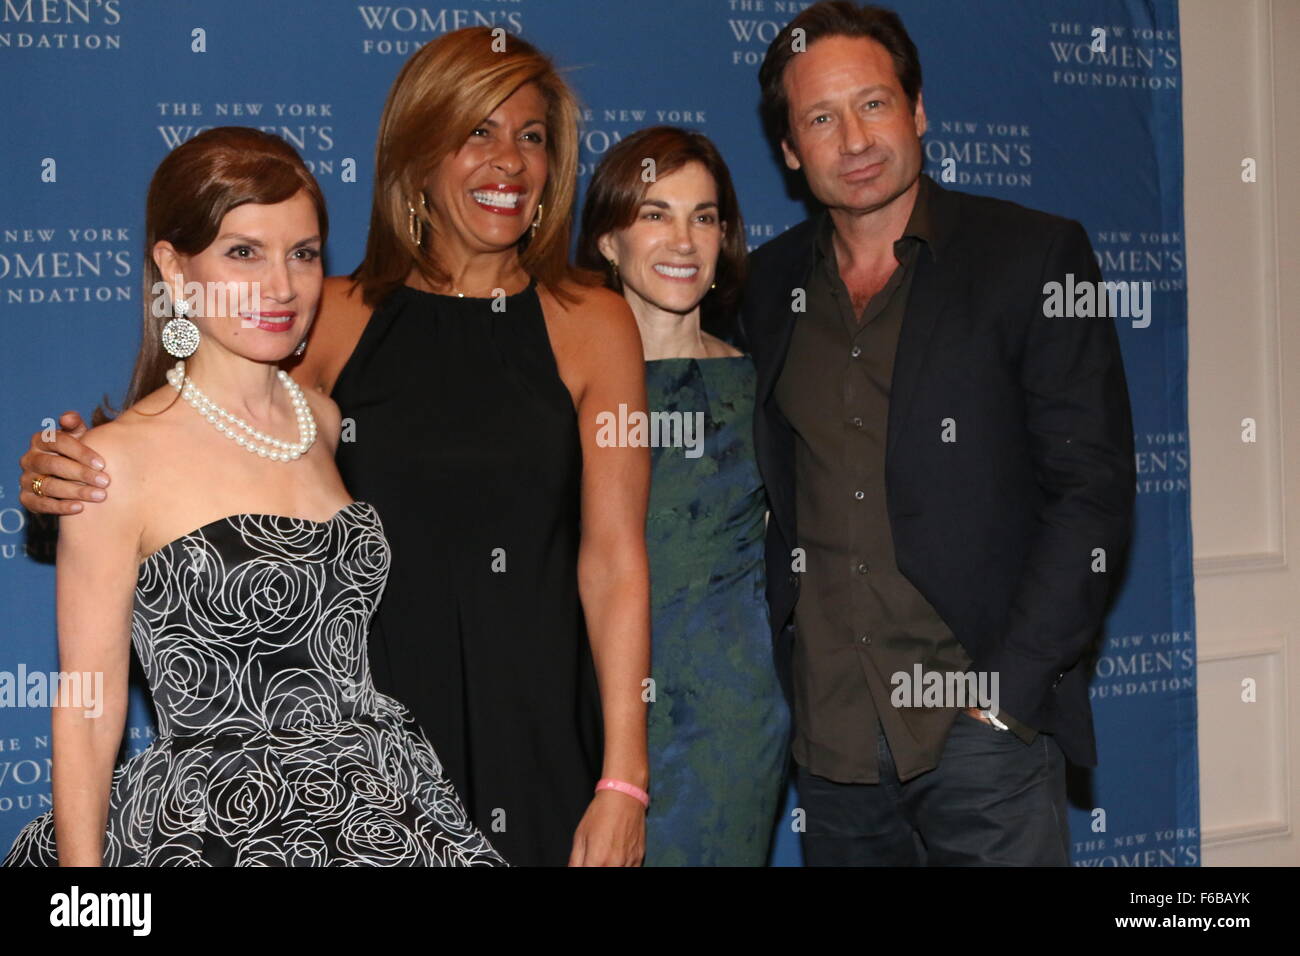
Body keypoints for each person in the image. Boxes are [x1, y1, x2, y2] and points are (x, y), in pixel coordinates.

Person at [16, 27, 651, 867]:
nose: (508, 160)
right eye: (476, 131)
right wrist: (58, 475)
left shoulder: (582, 324)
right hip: (278, 795)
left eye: (530, 135)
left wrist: (624, 779)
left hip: (465, 756)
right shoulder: (333, 319)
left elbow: (614, 558)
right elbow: (188, 442)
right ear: (418, 152)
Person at [3, 127, 504, 867]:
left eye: (302, 253)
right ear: (175, 268)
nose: (281, 285)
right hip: (217, 829)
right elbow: (88, 708)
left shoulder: (325, 423)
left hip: (384, 805)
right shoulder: (112, 465)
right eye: (244, 253)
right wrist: (85, 895)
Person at [741, 2, 1136, 865]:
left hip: (981, 738)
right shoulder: (764, 289)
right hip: (832, 747)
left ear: (918, 111)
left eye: (874, 104)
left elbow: (1093, 492)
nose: (853, 138)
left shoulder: (1031, 257)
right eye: (820, 117)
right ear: (788, 150)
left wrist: (1009, 695)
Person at [576, 126, 791, 865]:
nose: (684, 240)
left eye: (704, 217)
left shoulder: (762, 390)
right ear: (608, 240)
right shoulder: (559, 386)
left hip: (727, 726)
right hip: (584, 711)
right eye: (655, 214)